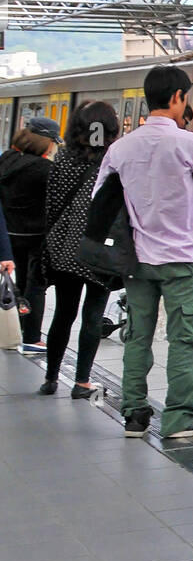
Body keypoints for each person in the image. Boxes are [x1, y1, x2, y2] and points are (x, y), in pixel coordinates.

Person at [94, 64, 193, 439]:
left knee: (138, 336)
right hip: (183, 260)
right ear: (176, 98)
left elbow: (100, 200)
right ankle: (178, 418)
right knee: (185, 339)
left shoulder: (121, 148)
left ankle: (135, 415)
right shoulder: (190, 144)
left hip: (137, 260)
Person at [39, 101, 120, 400]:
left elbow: (52, 207)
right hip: (100, 248)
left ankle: (50, 378)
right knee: (93, 315)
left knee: (63, 313)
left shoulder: (63, 160)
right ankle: (82, 382)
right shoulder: (114, 162)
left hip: (65, 249)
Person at [0, 127, 56, 352]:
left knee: (19, 282)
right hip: (36, 235)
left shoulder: (5, 160)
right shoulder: (44, 169)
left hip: (9, 234)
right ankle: (32, 337)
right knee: (36, 284)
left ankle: (17, 328)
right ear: (43, 144)